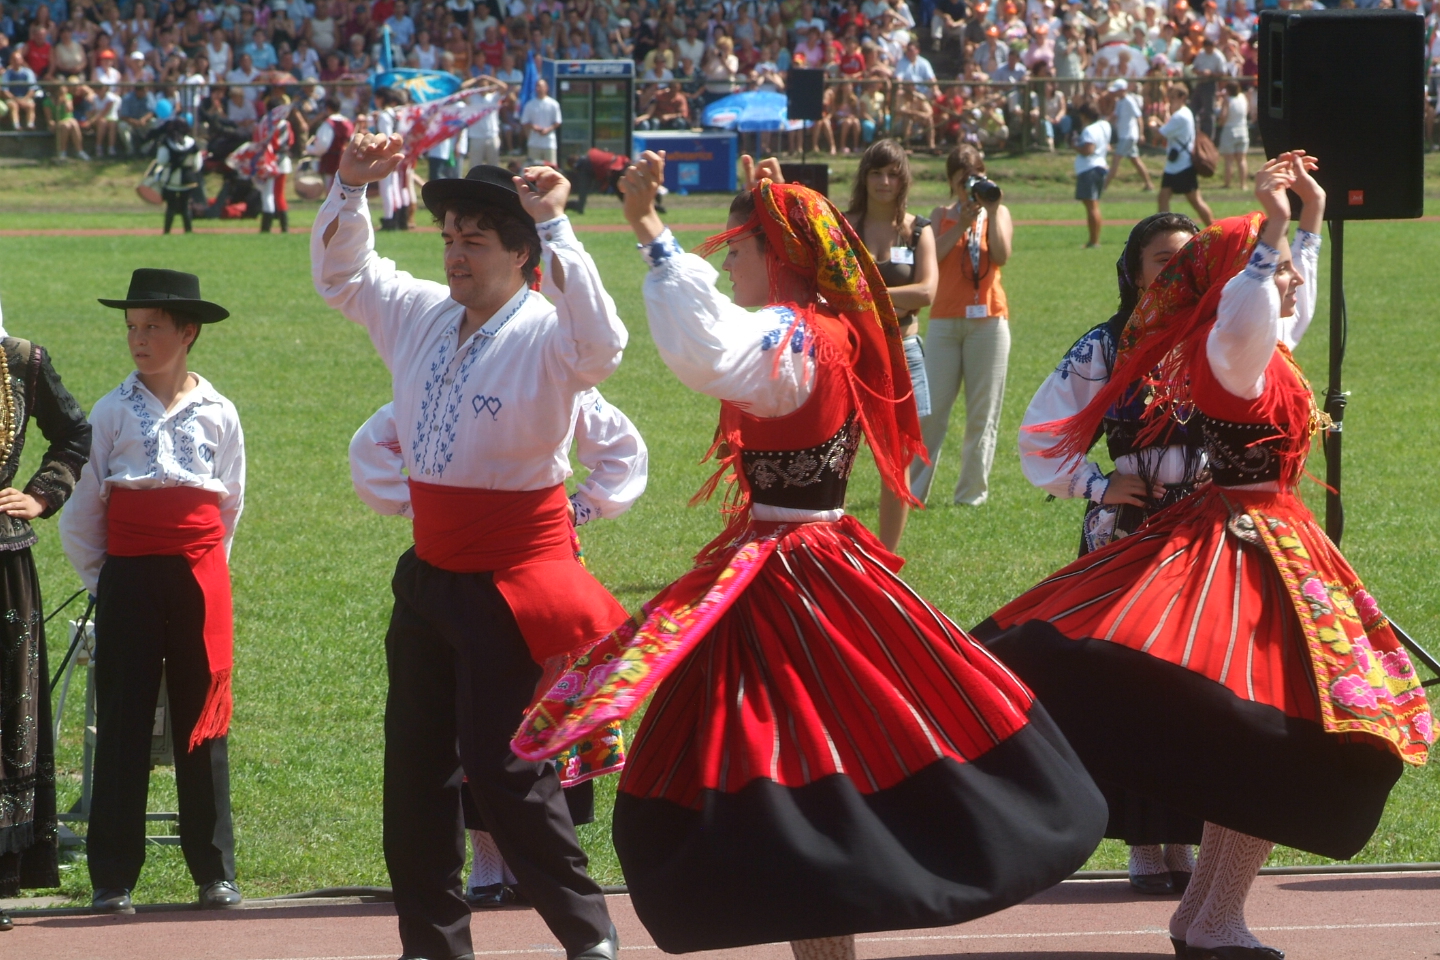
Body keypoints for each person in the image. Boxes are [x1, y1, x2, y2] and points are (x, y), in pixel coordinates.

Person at [509, 150, 1106, 960]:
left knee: (791, 770)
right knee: (806, 766)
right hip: (813, 564)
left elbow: (709, 346)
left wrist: (651, 229)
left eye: (740, 248)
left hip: (793, 576)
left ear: (778, 256)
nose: (729, 263)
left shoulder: (796, 336)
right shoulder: (832, 328)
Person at [978, 154, 1432, 960]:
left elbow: (1287, 313)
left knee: (1266, 744)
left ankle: (1206, 915)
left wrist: (1310, 226)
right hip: (1244, 546)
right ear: (1235, 287)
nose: (1288, 281)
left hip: (1265, 542)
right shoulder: (1231, 351)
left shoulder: (1257, 345)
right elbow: (1260, 310)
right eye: (1273, 270)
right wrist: (1272, 235)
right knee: (1274, 741)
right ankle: (1213, 915)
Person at [311, 134, 630, 960]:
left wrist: (559, 226)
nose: (454, 252)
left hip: (513, 580)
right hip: (429, 577)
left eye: (474, 239)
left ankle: (589, 936)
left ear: (521, 255)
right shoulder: (420, 313)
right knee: (414, 776)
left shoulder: (552, 334)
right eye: (448, 237)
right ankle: (432, 946)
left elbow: (604, 348)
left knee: (505, 770)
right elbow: (344, 276)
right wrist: (348, 187)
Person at [348, 392, 645, 906]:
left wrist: (579, 508)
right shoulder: (440, 373)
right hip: (458, 569)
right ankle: (488, 863)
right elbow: (372, 446)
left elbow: (623, 450)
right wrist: (434, 511)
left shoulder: (555, 370)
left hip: (539, 567)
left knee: (541, 711)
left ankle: (542, 870)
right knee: (469, 712)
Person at [1017, 211, 1206, 895]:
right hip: (1128, 536)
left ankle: (1185, 836)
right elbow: (1040, 434)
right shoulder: (1105, 346)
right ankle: (1144, 844)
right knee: (1131, 684)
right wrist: (1097, 483)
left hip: (1205, 536)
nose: (1176, 272)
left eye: (1188, 260)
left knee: (1195, 686)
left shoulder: (1218, 337)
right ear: (1132, 270)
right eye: (1162, 260)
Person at [62, 269, 246, 917]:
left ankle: (214, 871)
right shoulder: (111, 411)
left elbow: (230, 507)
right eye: (132, 328)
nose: (139, 340)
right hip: (129, 581)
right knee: (122, 722)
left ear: (188, 333)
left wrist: (202, 574)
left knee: (204, 724)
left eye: (154, 327)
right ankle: (113, 875)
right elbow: (83, 515)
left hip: (199, 582)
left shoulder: (220, 413)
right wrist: (110, 584)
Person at [0, 297, 92, 934]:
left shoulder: (21, 361)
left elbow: (75, 434)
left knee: (5, 709)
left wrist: (40, 493)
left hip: (3, 566)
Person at [844, 139, 936, 551]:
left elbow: (927, 292)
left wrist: (868, 293)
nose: (884, 181)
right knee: (834, 457)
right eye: (877, 172)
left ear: (904, 180)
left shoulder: (920, 230)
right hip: (852, 352)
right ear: (864, 177)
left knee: (896, 466)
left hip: (905, 351)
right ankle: (827, 549)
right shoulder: (843, 226)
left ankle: (885, 558)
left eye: (893, 173)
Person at [911, 145, 1014, 508]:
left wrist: (992, 210)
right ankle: (914, 491)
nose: (969, 189)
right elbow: (931, 260)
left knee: (982, 414)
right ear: (951, 184)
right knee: (932, 412)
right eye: (962, 182)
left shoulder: (997, 212)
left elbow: (1001, 256)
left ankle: (971, 495)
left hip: (988, 320)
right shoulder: (939, 216)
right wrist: (963, 224)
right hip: (943, 321)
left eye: (976, 179)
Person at [1154, 82, 1213, 226]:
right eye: (1170, 97)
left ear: (1182, 97)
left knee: (1196, 201)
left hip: (1183, 165)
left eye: (1173, 97)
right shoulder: (1183, 113)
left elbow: (1160, 134)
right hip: (1174, 165)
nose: (1171, 101)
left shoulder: (1180, 115)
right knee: (1163, 197)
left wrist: (1151, 123)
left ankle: (1214, 228)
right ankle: (1165, 229)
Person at [154, 117, 204, 234]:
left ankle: (167, 231)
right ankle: (188, 230)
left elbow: (161, 161)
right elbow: (197, 165)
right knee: (185, 206)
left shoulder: (166, 142)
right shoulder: (192, 144)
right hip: (188, 179)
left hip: (170, 179)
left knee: (171, 206)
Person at [1105, 78, 1154, 191]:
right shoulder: (1119, 102)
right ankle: (1148, 184)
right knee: (1135, 160)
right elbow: (1115, 116)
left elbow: (1139, 117)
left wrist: (1141, 133)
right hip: (1124, 135)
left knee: (1116, 160)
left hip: (1128, 136)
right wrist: (1105, 122)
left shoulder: (1129, 101)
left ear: (1123, 90)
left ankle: (1104, 186)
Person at [1073, 101, 1110, 248]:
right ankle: (1094, 240)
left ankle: (1094, 241)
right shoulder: (1104, 125)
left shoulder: (1089, 130)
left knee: (1092, 206)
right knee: (1093, 205)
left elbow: (1088, 149)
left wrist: (1074, 145)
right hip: (1100, 165)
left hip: (1090, 168)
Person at [302, 96, 353, 192]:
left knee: (331, 191)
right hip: (346, 159)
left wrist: (309, 148)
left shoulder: (328, 124)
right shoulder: (348, 123)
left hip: (331, 160)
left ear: (328, 108)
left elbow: (323, 145)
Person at [520, 77, 561, 165]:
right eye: (537, 86)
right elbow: (524, 121)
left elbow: (558, 121)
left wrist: (548, 129)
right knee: (533, 168)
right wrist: (533, 127)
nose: (538, 89)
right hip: (534, 142)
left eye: (541, 86)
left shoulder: (553, 104)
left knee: (550, 168)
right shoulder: (530, 104)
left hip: (549, 142)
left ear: (546, 88)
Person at [1217, 80, 1249, 190]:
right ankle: (1243, 184)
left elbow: (1223, 115)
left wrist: (1220, 123)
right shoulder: (1243, 98)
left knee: (1229, 160)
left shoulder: (1227, 100)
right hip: (1243, 130)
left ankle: (1227, 184)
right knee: (1242, 159)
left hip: (1230, 130)